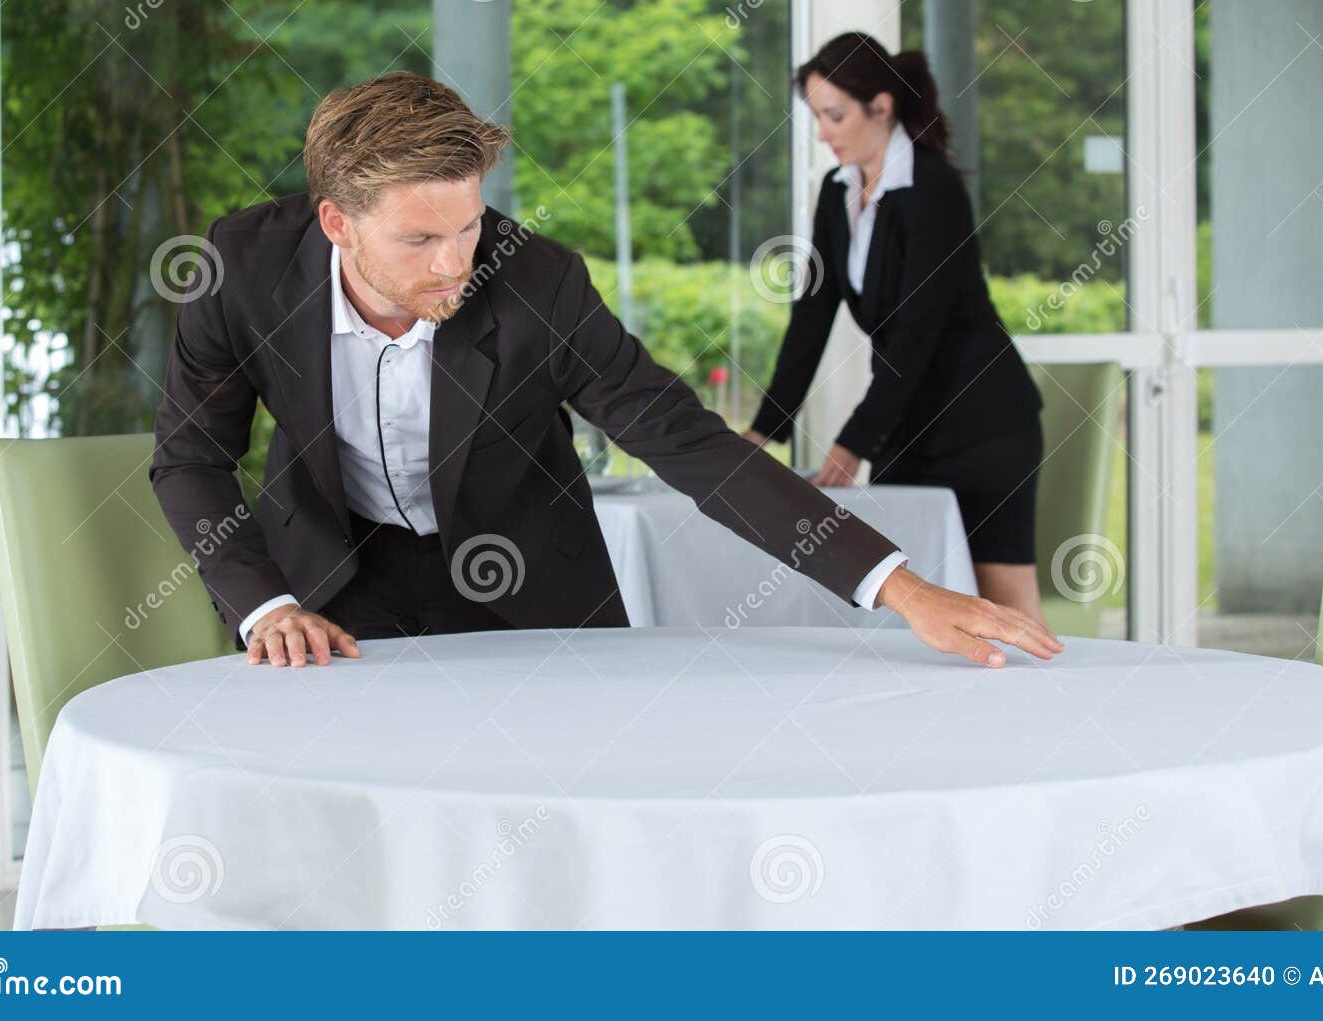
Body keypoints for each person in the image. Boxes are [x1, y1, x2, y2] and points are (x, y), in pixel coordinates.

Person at [150, 71, 1061, 670]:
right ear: (336, 224)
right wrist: (265, 604)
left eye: (467, 225)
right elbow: (191, 458)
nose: (454, 262)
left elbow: (689, 443)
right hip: (329, 594)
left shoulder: (538, 280)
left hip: (529, 600)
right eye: (420, 238)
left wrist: (899, 588)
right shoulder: (244, 268)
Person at [744, 32, 1048, 625]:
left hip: (984, 428)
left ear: (881, 107)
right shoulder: (838, 194)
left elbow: (916, 337)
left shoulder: (934, 192)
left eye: (835, 116)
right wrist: (762, 433)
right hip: (908, 432)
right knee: (913, 609)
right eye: (817, 117)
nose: (824, 132)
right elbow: (811, 317)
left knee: (1003, 607)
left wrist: (853, 443)